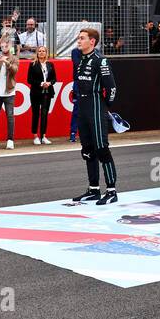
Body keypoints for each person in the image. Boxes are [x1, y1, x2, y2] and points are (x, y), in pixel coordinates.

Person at [70, 26, 119, 205]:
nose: (79, 41)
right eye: (78, 38)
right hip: (82, 107)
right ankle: (94, 189)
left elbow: (112, 88)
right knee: (87, 150)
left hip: (96, 106)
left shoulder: (101, 60)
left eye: (82, 38)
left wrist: (104, 107)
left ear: (92, 41)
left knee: (102, 149)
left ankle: (111, 190)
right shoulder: (80, 59)